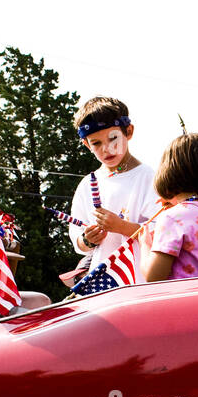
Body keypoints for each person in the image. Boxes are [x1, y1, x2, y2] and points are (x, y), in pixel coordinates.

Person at [69, 96, 162, 272]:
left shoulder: (152, 179)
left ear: (129, 131)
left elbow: (164, 233)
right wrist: (88, 240)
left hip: (141, 281)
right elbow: (77, 240)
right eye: (96, 143)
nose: (107, 148)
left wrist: (121, 227)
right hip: (104, 283)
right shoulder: (87, 185)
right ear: (87, 145)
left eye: (113, 138)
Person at [141, 133, 198, 282]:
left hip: (182, 302)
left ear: (169, 170)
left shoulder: (172, 217)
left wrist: (145, 245)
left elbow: (153, 277)